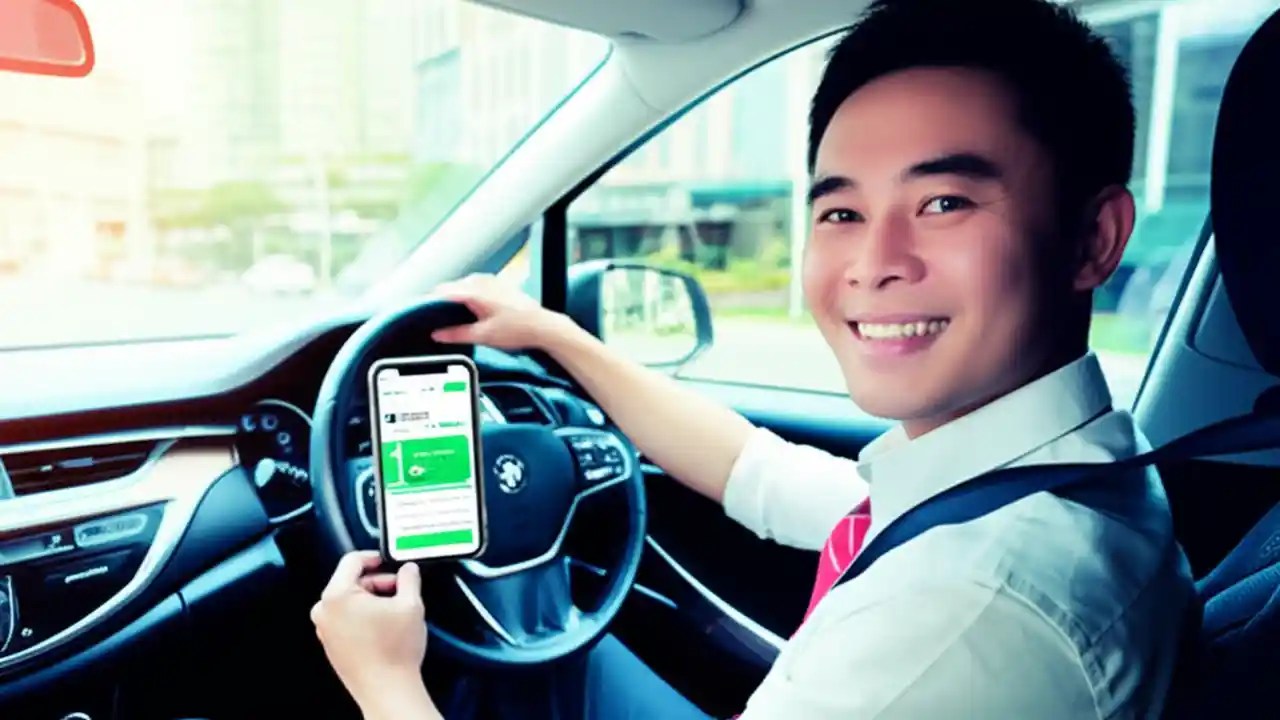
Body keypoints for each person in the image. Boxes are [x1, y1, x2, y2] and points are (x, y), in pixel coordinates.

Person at [309, 0, 1196, 717]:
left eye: (943, 203)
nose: (873, 262)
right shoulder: (1039, 482)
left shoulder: (963, 614)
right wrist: (556, 336)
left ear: (1093, 238)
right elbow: (758, 472)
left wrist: (384, 682)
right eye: (841, 213)